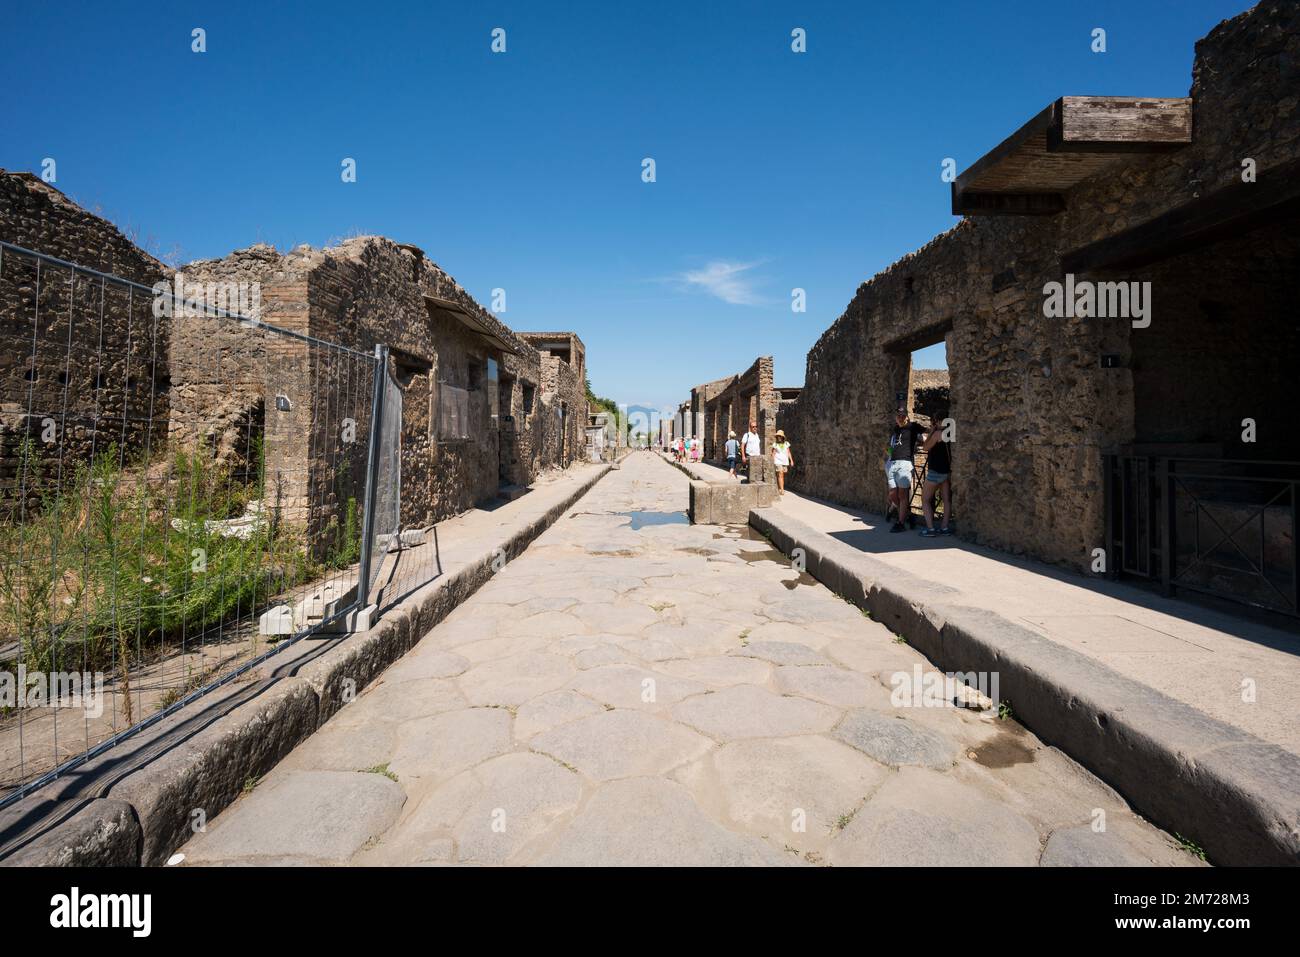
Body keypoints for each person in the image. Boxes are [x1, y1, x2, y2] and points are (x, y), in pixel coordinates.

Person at [886, 406, 925, 533]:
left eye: (903, 416)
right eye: (899, 415)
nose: (901, 418)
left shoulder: (912, 427)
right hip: (892, 463)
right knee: (892, 495)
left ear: (907, 417)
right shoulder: (895, 430)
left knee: (902, 495)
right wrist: (889, 453)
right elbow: (892, 446)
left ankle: (901, 523)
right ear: (896, 417)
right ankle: (909, 515)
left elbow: (926, 432)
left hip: (905, 463)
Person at [919, 419, 953, 537]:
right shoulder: (951, 433)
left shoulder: (938, 434)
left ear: (939, 422)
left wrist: (932, 431)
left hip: (935, 471)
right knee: (946, 500)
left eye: (935, 421)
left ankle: (930, 529)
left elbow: (925, 447)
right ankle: (944, 527)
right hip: (946, 471)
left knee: (925, 499)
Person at [771, 429, 794, 494]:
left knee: (782, 475)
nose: (779, 437)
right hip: (777, 461)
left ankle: (780, 488)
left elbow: (788, 452)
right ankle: (782, 489)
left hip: (785, 461)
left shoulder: (786, 443)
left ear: (782, 437)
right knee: (780, 474)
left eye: (780, 436)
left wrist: (791, 460)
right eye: (778, 436)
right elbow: (773, 453)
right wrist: (772, 461)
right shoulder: (775, 444)